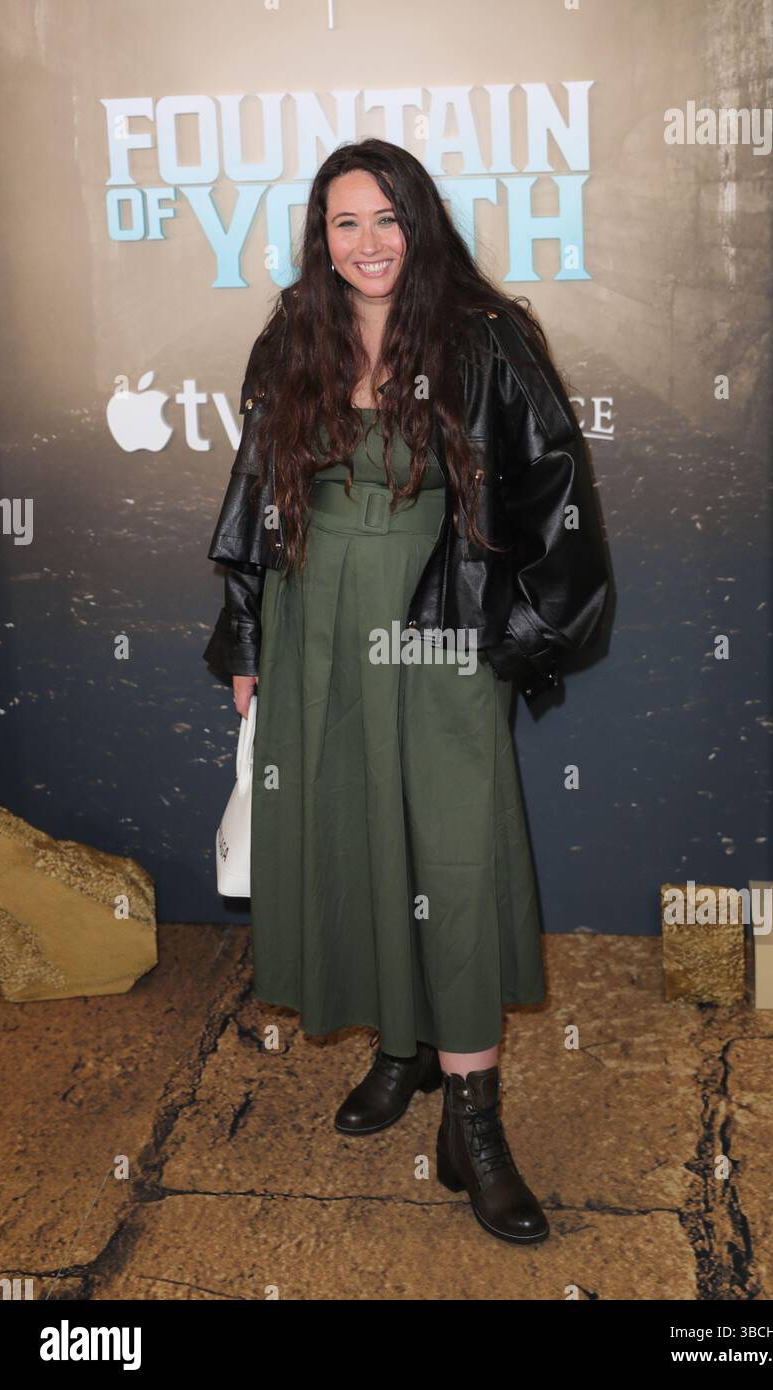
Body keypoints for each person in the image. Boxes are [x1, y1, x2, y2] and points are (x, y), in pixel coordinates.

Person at [203, 137, 611, 1246]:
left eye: (386, 218)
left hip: (438, 623)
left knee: (454, 857)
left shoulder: (483, 336)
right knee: (353, 837)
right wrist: (246, 635)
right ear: (319, 237)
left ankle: (472, 1122)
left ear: (418, 223)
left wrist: (510, 637)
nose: (367, 243)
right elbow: (252, 498)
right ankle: (402, 1047)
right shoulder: (293, 333)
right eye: (345, 223)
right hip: (311, 624)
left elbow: (556, 487)